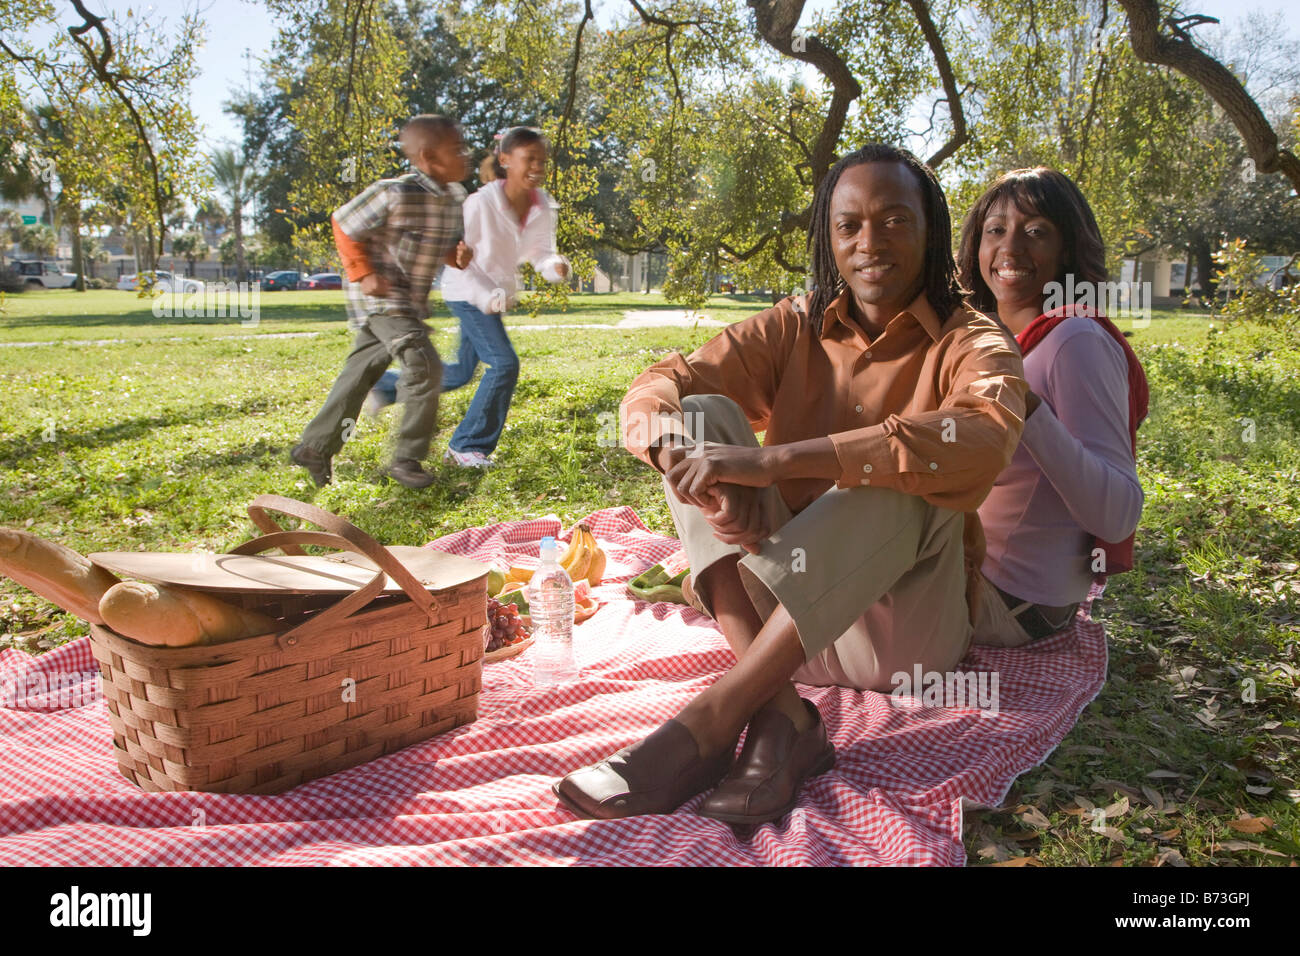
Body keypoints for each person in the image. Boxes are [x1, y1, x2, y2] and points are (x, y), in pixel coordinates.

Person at [553, 144, 1029, 825]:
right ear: (828, 238)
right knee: (697, 415)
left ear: (931, 233)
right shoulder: (794, 323)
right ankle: (783, 717)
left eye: (895, 220)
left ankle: (714, 718)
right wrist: (697, 469)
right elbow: (660, 385)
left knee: (900, 469)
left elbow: (983, 436)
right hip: (780, 622)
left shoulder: (972, 340)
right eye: (849, 225)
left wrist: (771, 465)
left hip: (898, 643)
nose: (871, 242)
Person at [957, 167, 1147, 646]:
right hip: (967, 571)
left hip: (1010, 603)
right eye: (995, 230)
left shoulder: (1073, 339)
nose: (1010, 248)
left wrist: (1028, 408)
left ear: (1067, 249)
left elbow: (1118, 513)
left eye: (1036, 231)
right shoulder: (997, 342)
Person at [291, 114, 473, 489]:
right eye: (457, 150)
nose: (466, 155)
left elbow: (438, 245)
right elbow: (343, 224)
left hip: (409, 304)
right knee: (425, 368)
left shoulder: (455, 198)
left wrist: (456, 256)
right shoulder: (393, 192)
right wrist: (363, 272)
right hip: (382, 299)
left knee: (359, 375)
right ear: (428, 157)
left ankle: (314, 446)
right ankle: (407, 459)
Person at [436, 126, 571, 468]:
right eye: (530, 159)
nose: (538, 168)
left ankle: (385, 384)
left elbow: (540, 252)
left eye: (542, 161)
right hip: (466, 291)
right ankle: (466, 445)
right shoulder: (480, 203)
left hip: (494, 295)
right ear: (505, 159)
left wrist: (554, 266)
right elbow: (457, 255)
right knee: (504, 363)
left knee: (461, 372)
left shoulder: (542, 204)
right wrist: (483, 292)